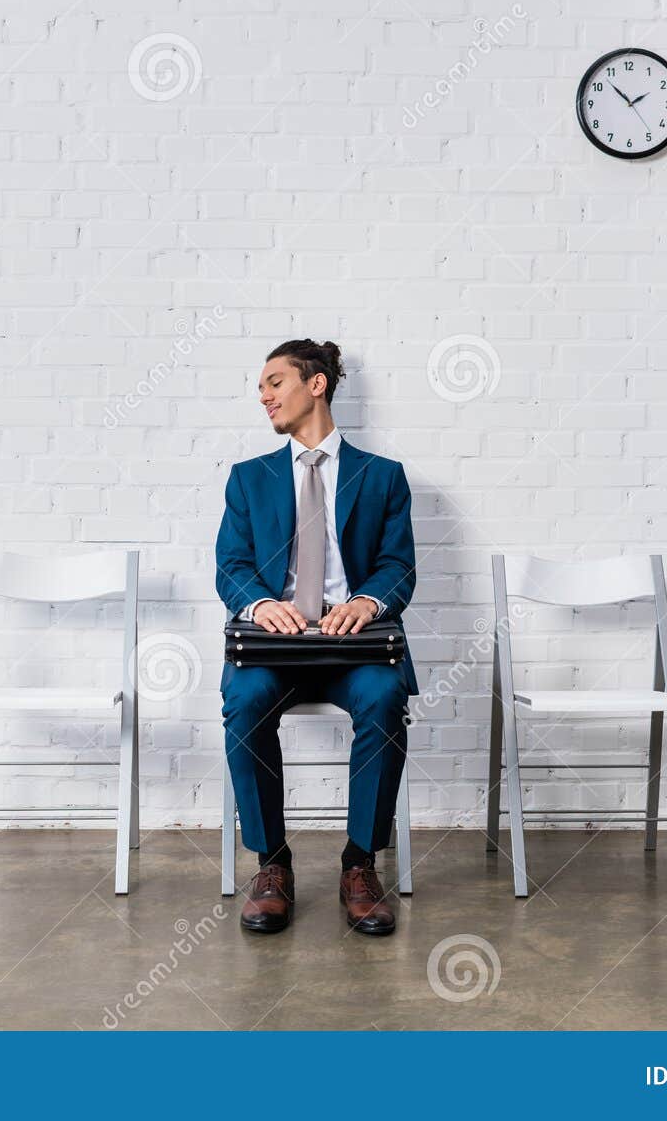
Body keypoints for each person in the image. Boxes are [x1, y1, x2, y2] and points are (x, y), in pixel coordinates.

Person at [215, 340, 418, 936]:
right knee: (246, 702)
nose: (264, 395)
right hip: (275, 643)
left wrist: (367, 600)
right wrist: (259, 604)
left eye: (275, 381)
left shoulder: (382, 476)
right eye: (260, 387)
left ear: (317, 384)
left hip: (351, 644)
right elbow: (231, 563)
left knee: (384, 698)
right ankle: (272, 865)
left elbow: (398, 564)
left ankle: (360, 865)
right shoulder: (248, 480)